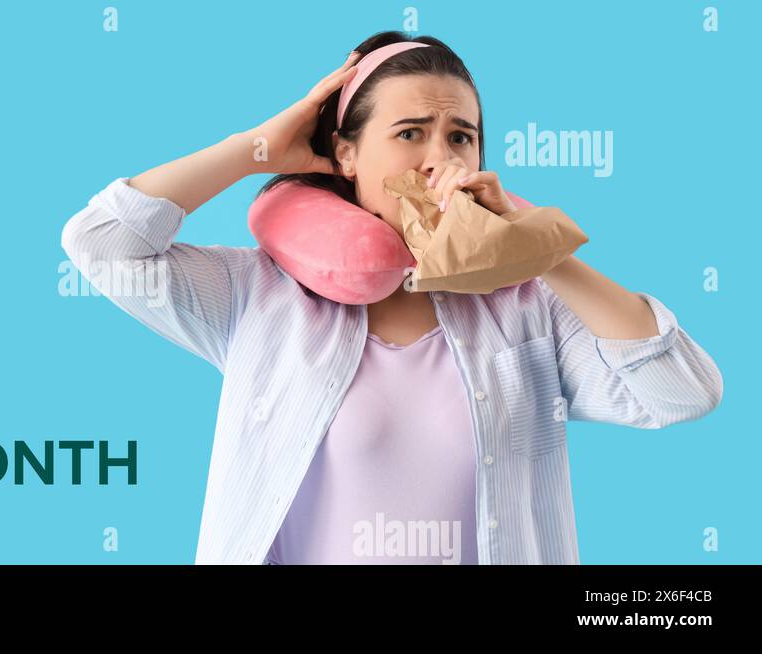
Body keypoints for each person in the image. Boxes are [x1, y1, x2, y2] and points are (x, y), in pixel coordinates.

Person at [59, 31, 723, 565]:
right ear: (346, 155)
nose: (440, 159)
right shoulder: (260, 297)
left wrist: (540, 250)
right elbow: (101, 244)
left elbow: (681, 393)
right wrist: (255, 150)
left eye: (460, 136)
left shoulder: (527, 311)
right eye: (410, 134)